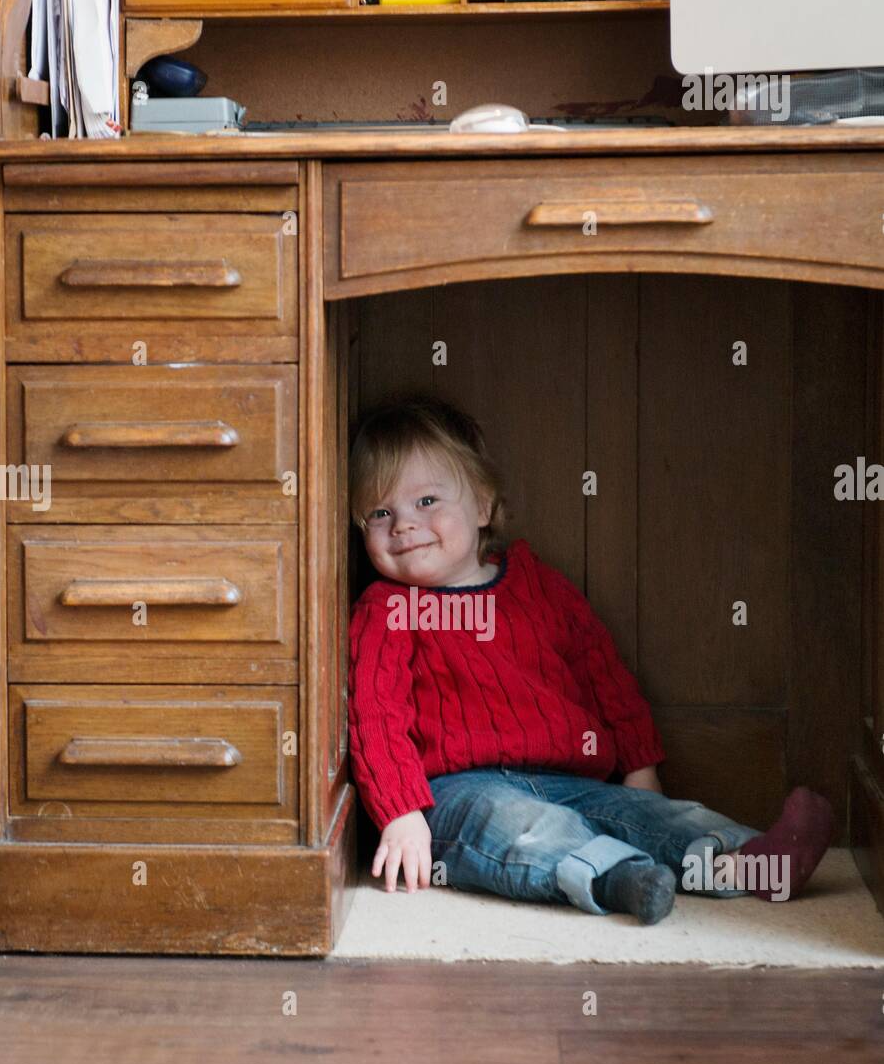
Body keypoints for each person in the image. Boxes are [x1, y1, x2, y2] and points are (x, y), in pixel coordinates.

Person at [347, 394, 834, 924]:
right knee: (516, 828)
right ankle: (616, 876)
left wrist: (640, 768)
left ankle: (750, 861)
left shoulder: (538, 585)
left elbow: (604, 675)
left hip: (573, 778)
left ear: (482, 505)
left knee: (653, 816)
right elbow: (375, 716)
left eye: (426, 502)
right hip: (458, 792)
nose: (403, 526)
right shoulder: (388, 609)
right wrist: (401, 812)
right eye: (380, 512)